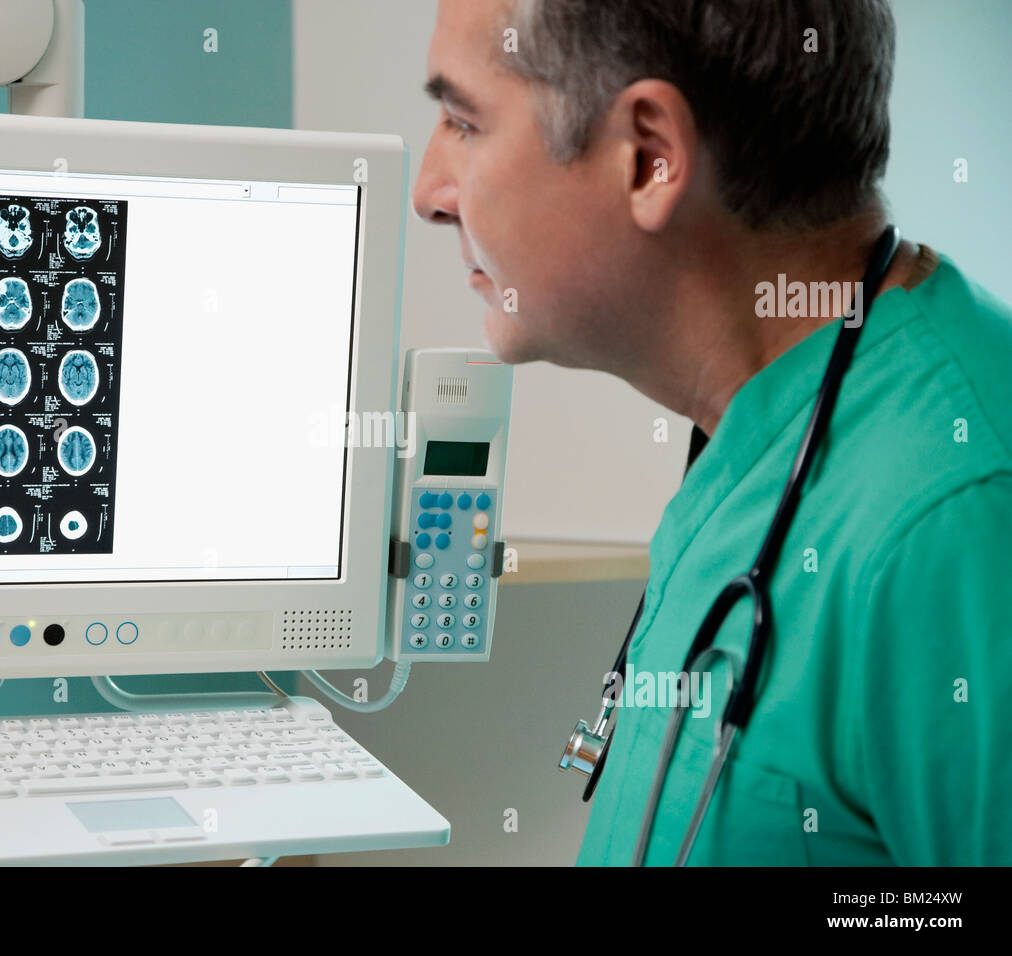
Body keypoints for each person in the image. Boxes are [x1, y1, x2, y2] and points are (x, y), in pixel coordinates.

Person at [412, 0, 1012, 865]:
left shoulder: (955, 516)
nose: (430, 193)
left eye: (464, 122)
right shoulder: (764, 432)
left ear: (649, 157)